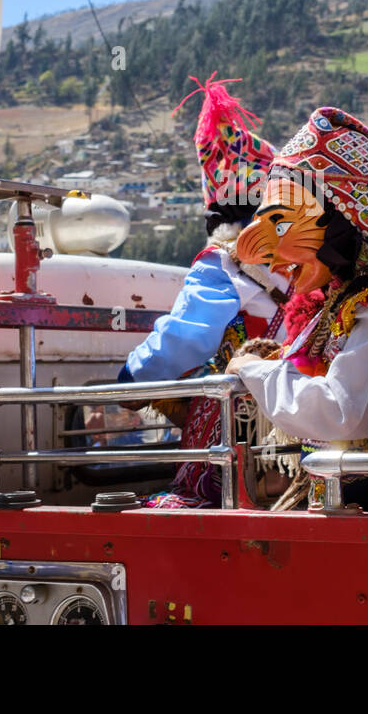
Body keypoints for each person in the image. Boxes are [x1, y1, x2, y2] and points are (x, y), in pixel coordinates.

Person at [226, 108, 368, 510]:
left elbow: (342, 411)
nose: (276, 265)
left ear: (347, 216)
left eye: (283, 223)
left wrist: (251, 372)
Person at [116, 73, 289, 508]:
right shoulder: (295, 263)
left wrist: (134, 377)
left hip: (245, 423)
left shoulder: (222, 262)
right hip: (294, 417)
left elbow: (189, 336)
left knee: (198, 497)